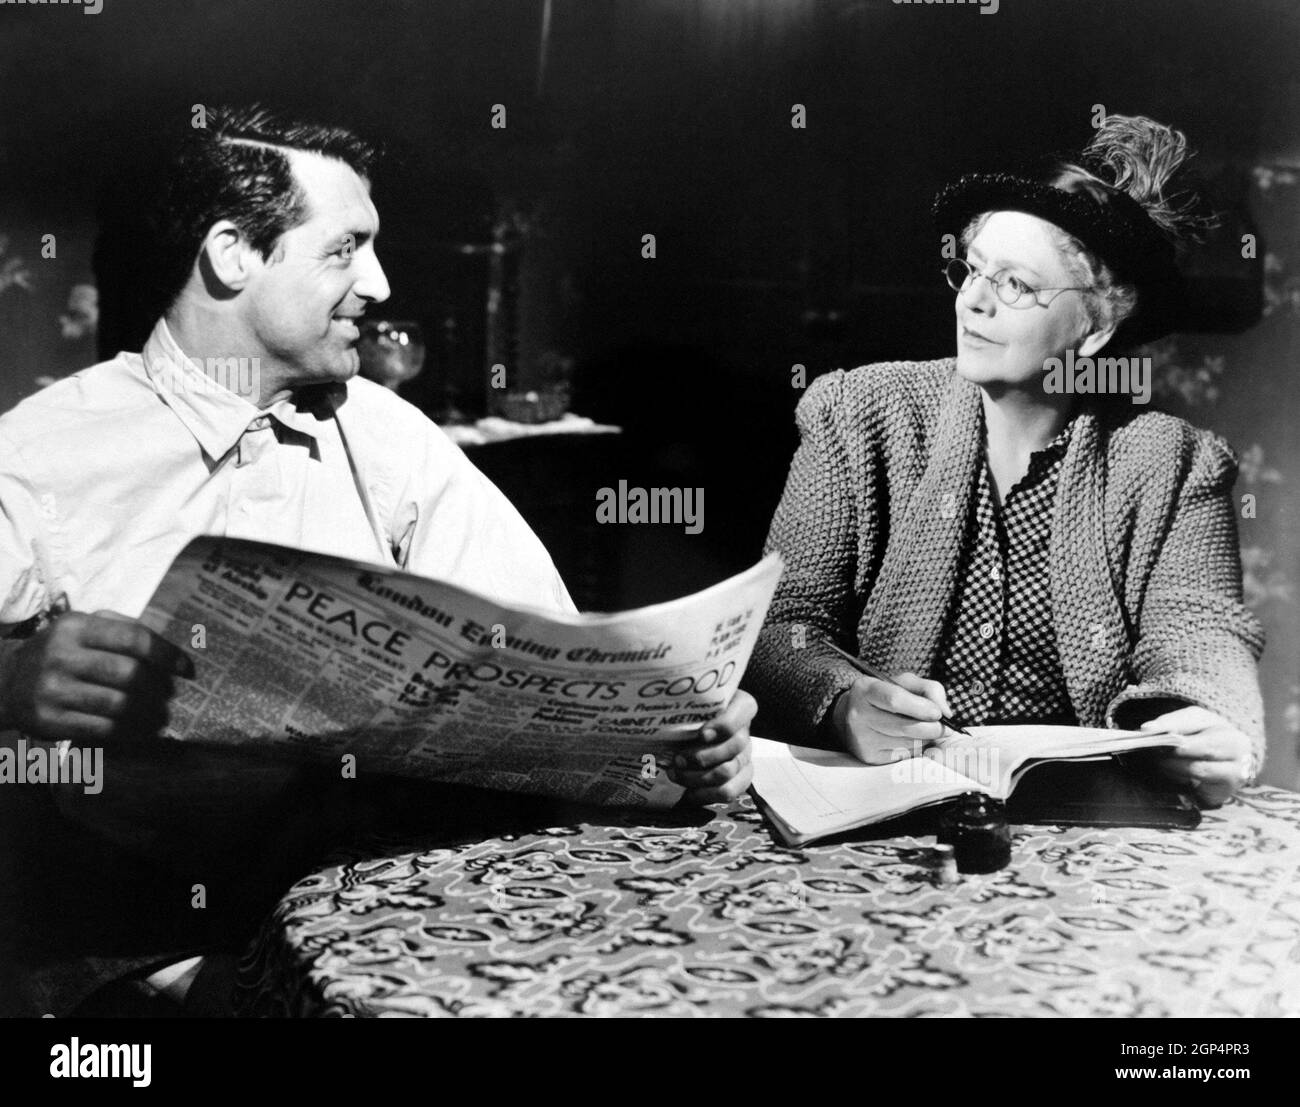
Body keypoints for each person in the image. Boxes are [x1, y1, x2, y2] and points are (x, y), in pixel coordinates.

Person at [0, 106, 754, 1016]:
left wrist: (677, 735)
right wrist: (12, 677)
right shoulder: (40, 452)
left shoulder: (392, 434)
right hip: (143, 940)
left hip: (389, 896)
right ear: (234, 254)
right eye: (346, 248)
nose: (381, 282)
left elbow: (559, 656)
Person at [746, 114, 1263, 809]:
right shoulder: (858, 412)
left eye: (1015, 284)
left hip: (1080, 835)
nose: (974, 299)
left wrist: (1209, 719)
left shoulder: (1173, 462)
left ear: (1097, 326)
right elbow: (781, 625)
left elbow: (1200, 633)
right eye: (971, 268)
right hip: (877, 819)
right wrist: (840, 700)